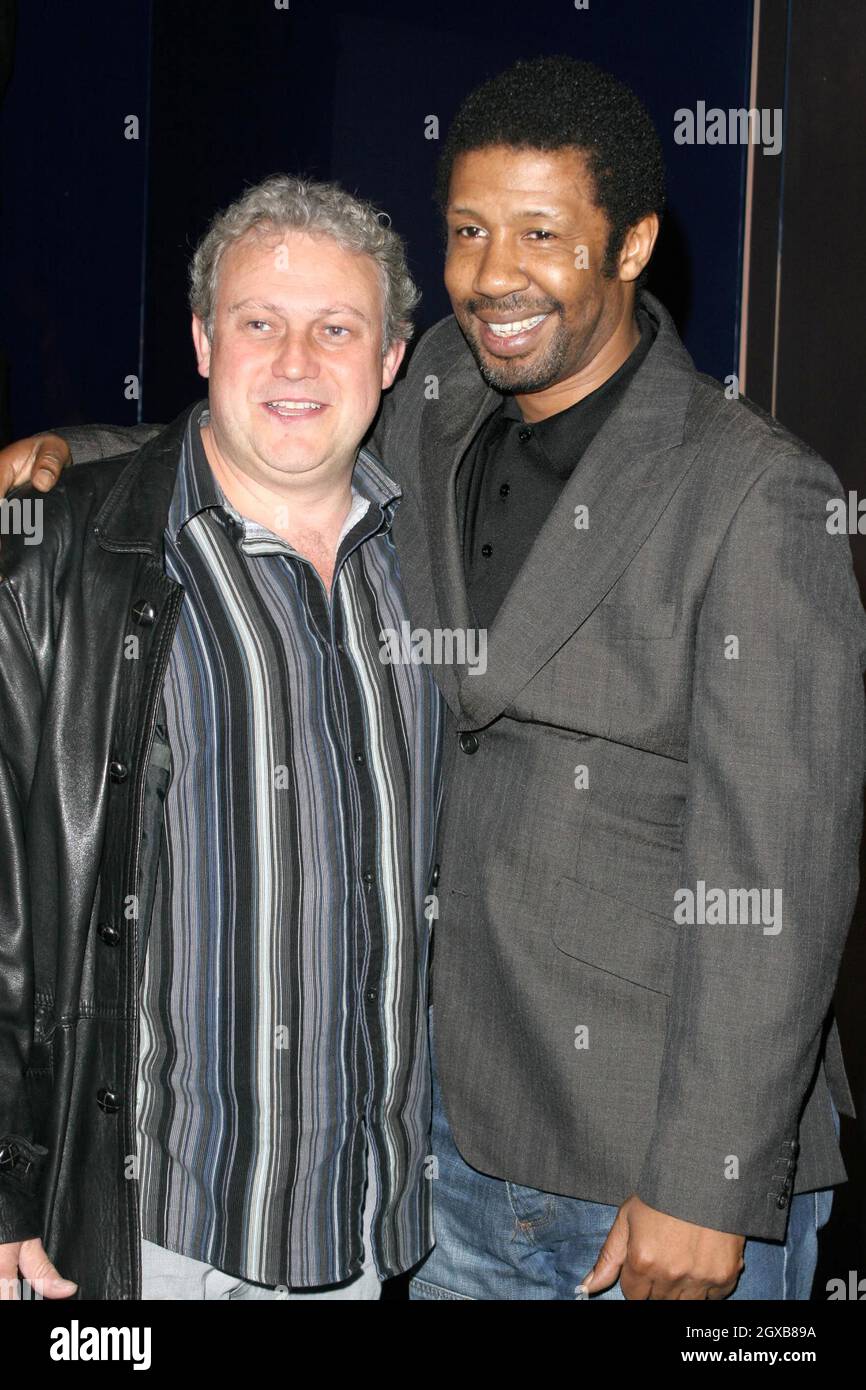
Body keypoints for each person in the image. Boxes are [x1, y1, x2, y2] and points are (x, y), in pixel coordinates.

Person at [3, 56, 864, 1301]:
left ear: (630, 248)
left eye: (539, 234)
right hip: (444, 1154)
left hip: (644, 1175)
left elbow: (781, 872)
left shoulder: (751, 492)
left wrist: (708, 1177)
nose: (493, 273)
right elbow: (279, 418)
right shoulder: (447, 392)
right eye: (466, 231)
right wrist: (67, 456)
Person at [0, 174, 443, 1300]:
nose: (296, 361)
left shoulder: (435, 567)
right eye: (259, 323)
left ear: (390, 357)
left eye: (335, 328)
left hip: (370, 1227)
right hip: (143, 1235)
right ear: (202, 340)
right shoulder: (56, 565)